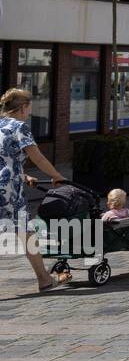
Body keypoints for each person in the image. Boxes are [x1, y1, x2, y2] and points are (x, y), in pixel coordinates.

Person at [0, 87, 71, 292]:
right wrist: (57, 176)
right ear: (22, 108)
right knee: (27, 233)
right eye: (29, 108)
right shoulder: (19, 127)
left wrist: (23, 175)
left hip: (9, 181)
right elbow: (37, 156)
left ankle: (44, 279)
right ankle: (44, 279)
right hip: (9, 191)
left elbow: (4, 159)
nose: (30, 112)